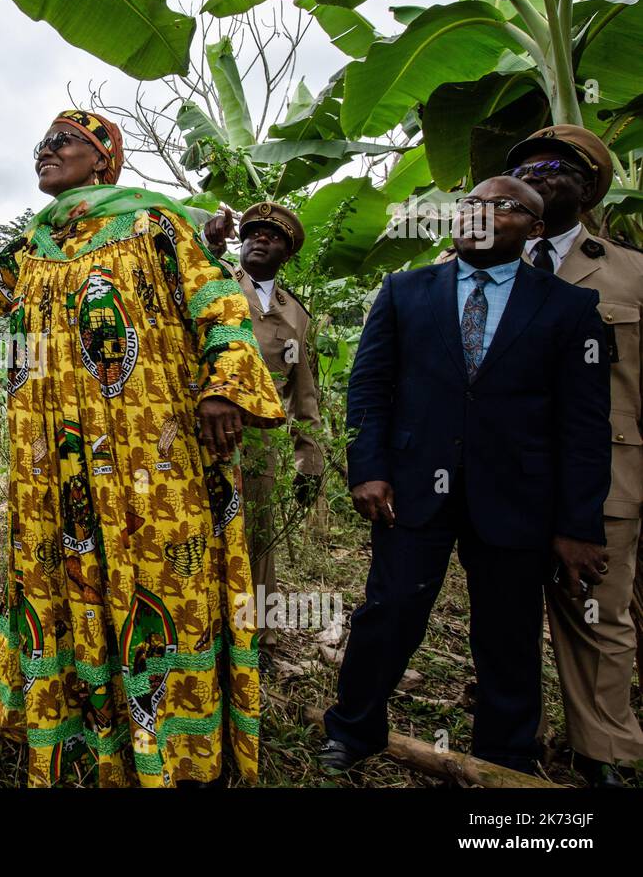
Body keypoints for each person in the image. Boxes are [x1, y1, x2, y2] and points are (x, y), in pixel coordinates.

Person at [0, 109, 285, 787]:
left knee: (161, 576)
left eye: (62, 141)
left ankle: (170, 742)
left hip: (148, 453)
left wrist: (222, 387)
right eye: (39, 143)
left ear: (103, 159)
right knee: (65, 583)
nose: (45, 150)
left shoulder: (155, 222)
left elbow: (217, 301)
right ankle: (85, 737)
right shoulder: (32, 247)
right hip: (54, 463)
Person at [319, 176, 611, 775]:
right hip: (410, 490)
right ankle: (353, 729)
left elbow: (584, 426)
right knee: (390, 610)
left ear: (535, 229)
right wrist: (367, 469)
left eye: (501, 206)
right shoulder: (405, 291)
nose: (478, 214)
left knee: (508, 630)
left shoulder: (568, 307)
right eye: (471, 203)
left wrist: (578, 524)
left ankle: (504, 756)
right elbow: (369, 385)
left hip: (517, 497)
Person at [506, 124, 643, 786]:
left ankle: (601, 753)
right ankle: (512, 740)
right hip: (504, 481)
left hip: (607, 478)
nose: (537, 172)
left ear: (589, 188)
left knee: (598, 616)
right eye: (525, 165)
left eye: (556, 165)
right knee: (502, 615)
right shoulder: (476, 265)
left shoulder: (631, 273)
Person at [228, 203, 324, 662]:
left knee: (259, 536)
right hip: (201, 431)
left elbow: (304, 394)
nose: (260, 239)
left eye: (273, 236)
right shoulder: (215, 283)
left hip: (260, 440)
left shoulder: (296, 316)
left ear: (287, 251)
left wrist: (310, 458)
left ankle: (258, 636)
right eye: (253, 232)